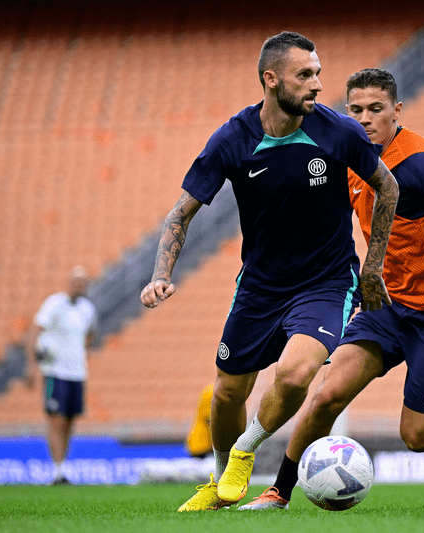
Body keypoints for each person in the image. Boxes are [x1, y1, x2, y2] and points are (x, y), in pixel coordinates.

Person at [239, 68, 424, 511]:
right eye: (356, 110)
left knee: (418, 436)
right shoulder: (348, 159)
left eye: (376, 109)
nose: (365, 119)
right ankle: (278, 493)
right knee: (327, 394)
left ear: (397, 111)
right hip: (388, 304)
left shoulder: (419, 162)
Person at [139, 32, 399, 512]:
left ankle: (244, 451)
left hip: (326, 282)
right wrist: (160, 274)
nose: (317, 84)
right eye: (305, 75)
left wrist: (372, 265)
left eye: (318, 73)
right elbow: (180, 213)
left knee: (295, 375)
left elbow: (388, 186)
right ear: (271, 79)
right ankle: (221, 481)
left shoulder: (339, 132)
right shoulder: (234, 138)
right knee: (227, 393)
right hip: (259, 287)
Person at [25, 265, 97, 485]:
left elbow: (90, 334)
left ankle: (62, 467)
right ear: (69, 283)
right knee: (56, 420)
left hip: (77, 373)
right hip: (55, 372)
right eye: (76, 282)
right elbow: (34, 331)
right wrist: (32, 364)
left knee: (70, 421)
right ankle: (58, 470)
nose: (79, 287)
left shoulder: (87, 309)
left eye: (82, 283)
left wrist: (79, 352)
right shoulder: (54, 304)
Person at [185, 384, 214, 459]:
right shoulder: (212, 392)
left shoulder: (211, 390)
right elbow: (210, 419)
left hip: (201, 444)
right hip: (201, 446)